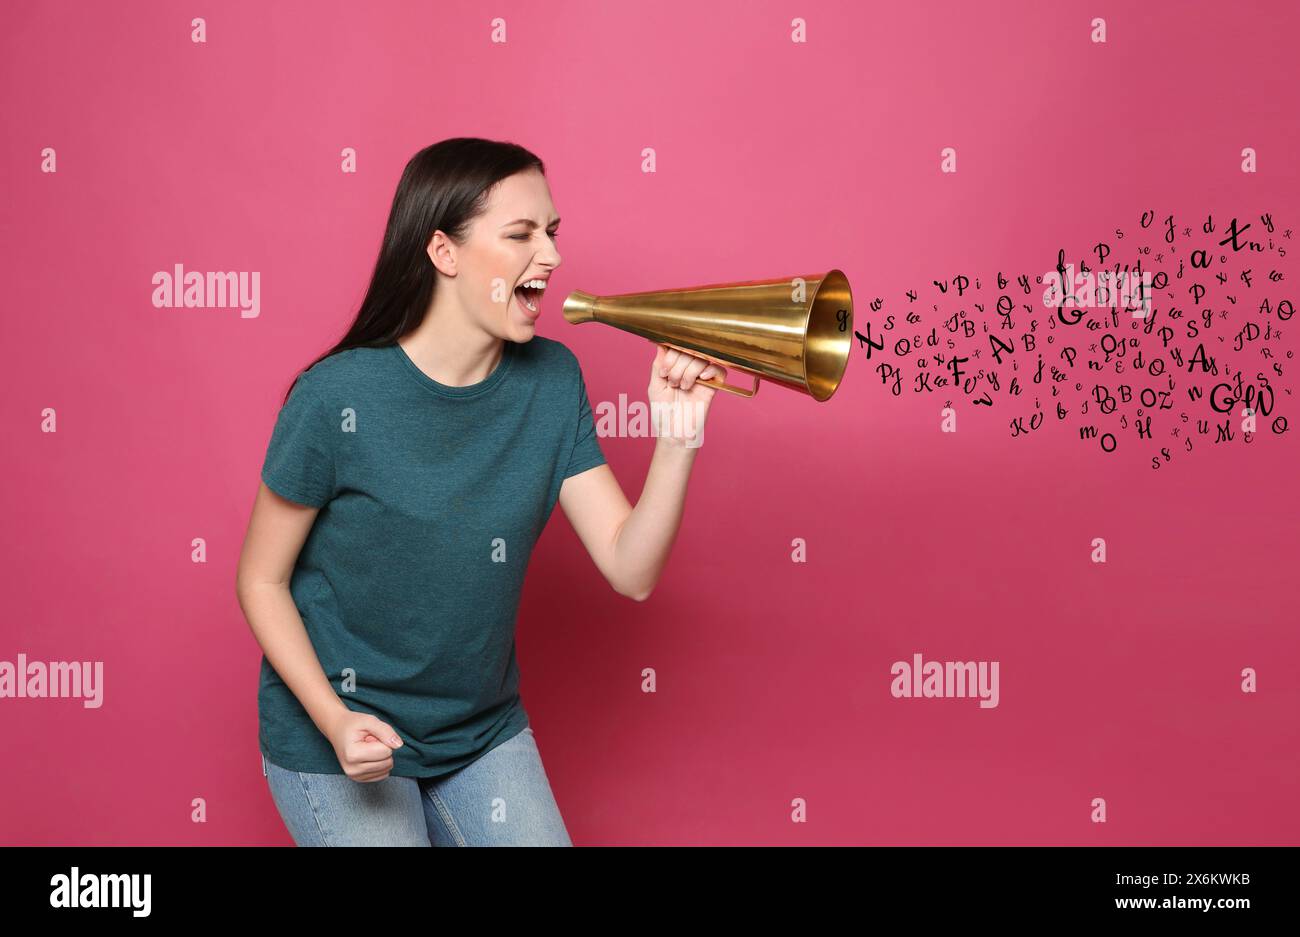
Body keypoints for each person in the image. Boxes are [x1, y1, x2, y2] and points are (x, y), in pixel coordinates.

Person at [234, 137, 724, 846]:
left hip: (478, 731)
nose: (551, 256)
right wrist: (334, 719)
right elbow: (260, 578)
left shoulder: (552, 381)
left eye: (551, 233)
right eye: (522, 234)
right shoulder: (336, 396)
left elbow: (631, 568)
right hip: (339, 731)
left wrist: (677, 441)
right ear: (444, 252)